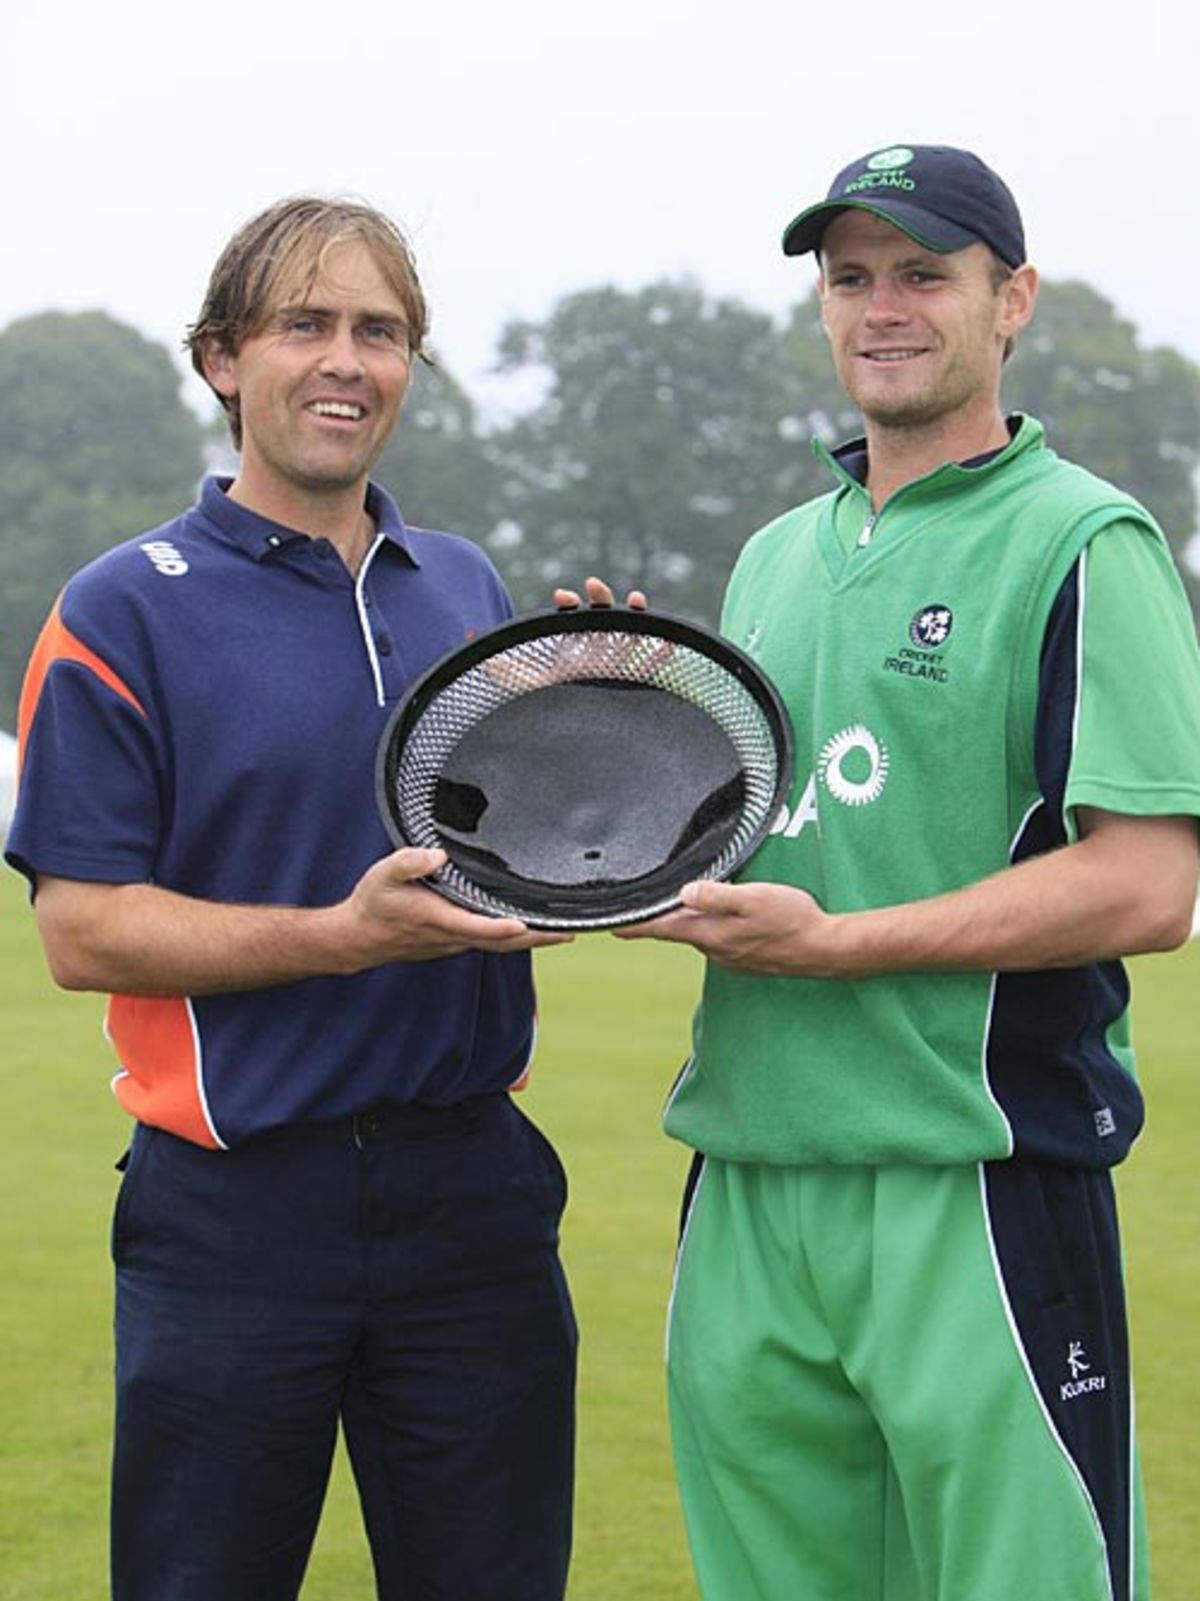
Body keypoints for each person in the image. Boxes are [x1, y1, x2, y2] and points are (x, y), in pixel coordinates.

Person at [618, 144, 1200, 1600]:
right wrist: (604, 740)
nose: (882, 306)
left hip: (976, 1174)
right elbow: (748, 839)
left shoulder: (1084, 539)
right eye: (850, 277)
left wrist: (842, 944)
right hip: (748, 1173)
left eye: (924, 274)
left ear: (1013, 301)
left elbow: (1147, 887)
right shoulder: (768, 564)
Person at [5, 196, 579, 1601]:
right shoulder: (120, 606)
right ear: (220, 359)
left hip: (475, 1194)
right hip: (237, 1209)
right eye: (304, 324)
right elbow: (81, 929)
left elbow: (513, 866)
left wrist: (605, 746)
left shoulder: (464, 585)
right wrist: (339, 941)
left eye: (380, 331)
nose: (346, 360)